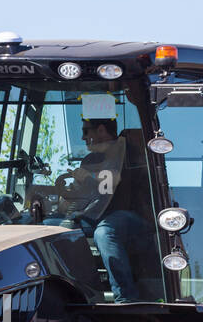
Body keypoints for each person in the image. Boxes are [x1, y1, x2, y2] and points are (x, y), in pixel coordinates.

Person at [53, 117, 147, 303]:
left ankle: (126, 298)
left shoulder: (128, 151)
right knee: (49, 229)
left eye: (86, 131)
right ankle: (74, 295)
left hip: (133, 217)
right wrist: (67, 197)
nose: (82, 137)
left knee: (104, 233)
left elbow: (113, 178)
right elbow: (80, 199)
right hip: (95, 216)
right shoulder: (89, 159)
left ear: (102, 130)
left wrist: (89, 176)